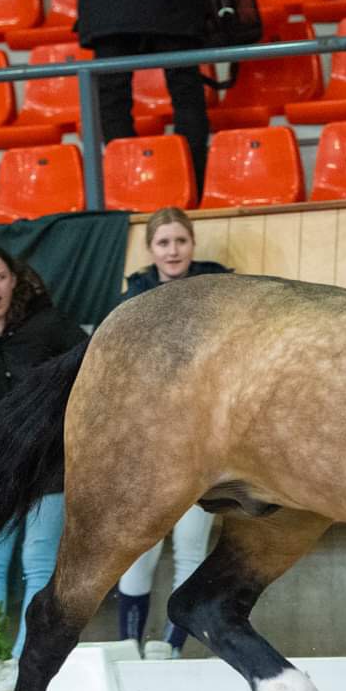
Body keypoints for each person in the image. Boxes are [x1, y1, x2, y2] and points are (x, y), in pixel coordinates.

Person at [0, 245, 88, 691]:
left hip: (49, 466)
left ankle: (23, 660)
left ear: (13, 279)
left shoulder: (50, 325)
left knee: (38, 563)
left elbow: (89, 374)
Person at [115, 208, 232, 660]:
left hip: (202, 445)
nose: (173, 250)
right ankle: (127, 642)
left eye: (180, 241)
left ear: (192, 245)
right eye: (163, 243)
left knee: (190, 545)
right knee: (138, 547)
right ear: (151, 250)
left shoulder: (217, 291)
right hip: (148, 445)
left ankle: (171, 645)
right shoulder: (133, 301)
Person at [45, 0, 215, 197]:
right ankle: (191, 186)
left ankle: (128, 186)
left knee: (113, 97)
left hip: (107, 0)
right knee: (185, 88)